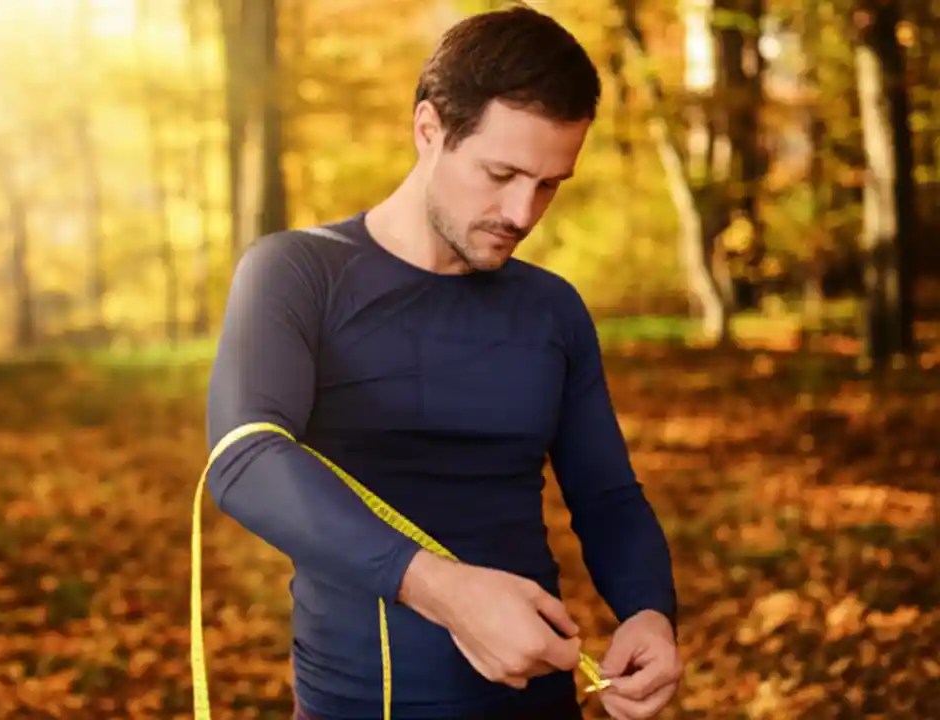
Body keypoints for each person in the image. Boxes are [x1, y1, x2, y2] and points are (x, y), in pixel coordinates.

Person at [203, 5, 681, 719]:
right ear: (429, 130)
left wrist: (649, 610)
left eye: (551, 184)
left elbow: (607, 496)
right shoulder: (297, 273)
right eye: (502, 173)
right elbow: (246, 457)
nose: (523, 211)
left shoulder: (552, 310)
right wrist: (443, 591)